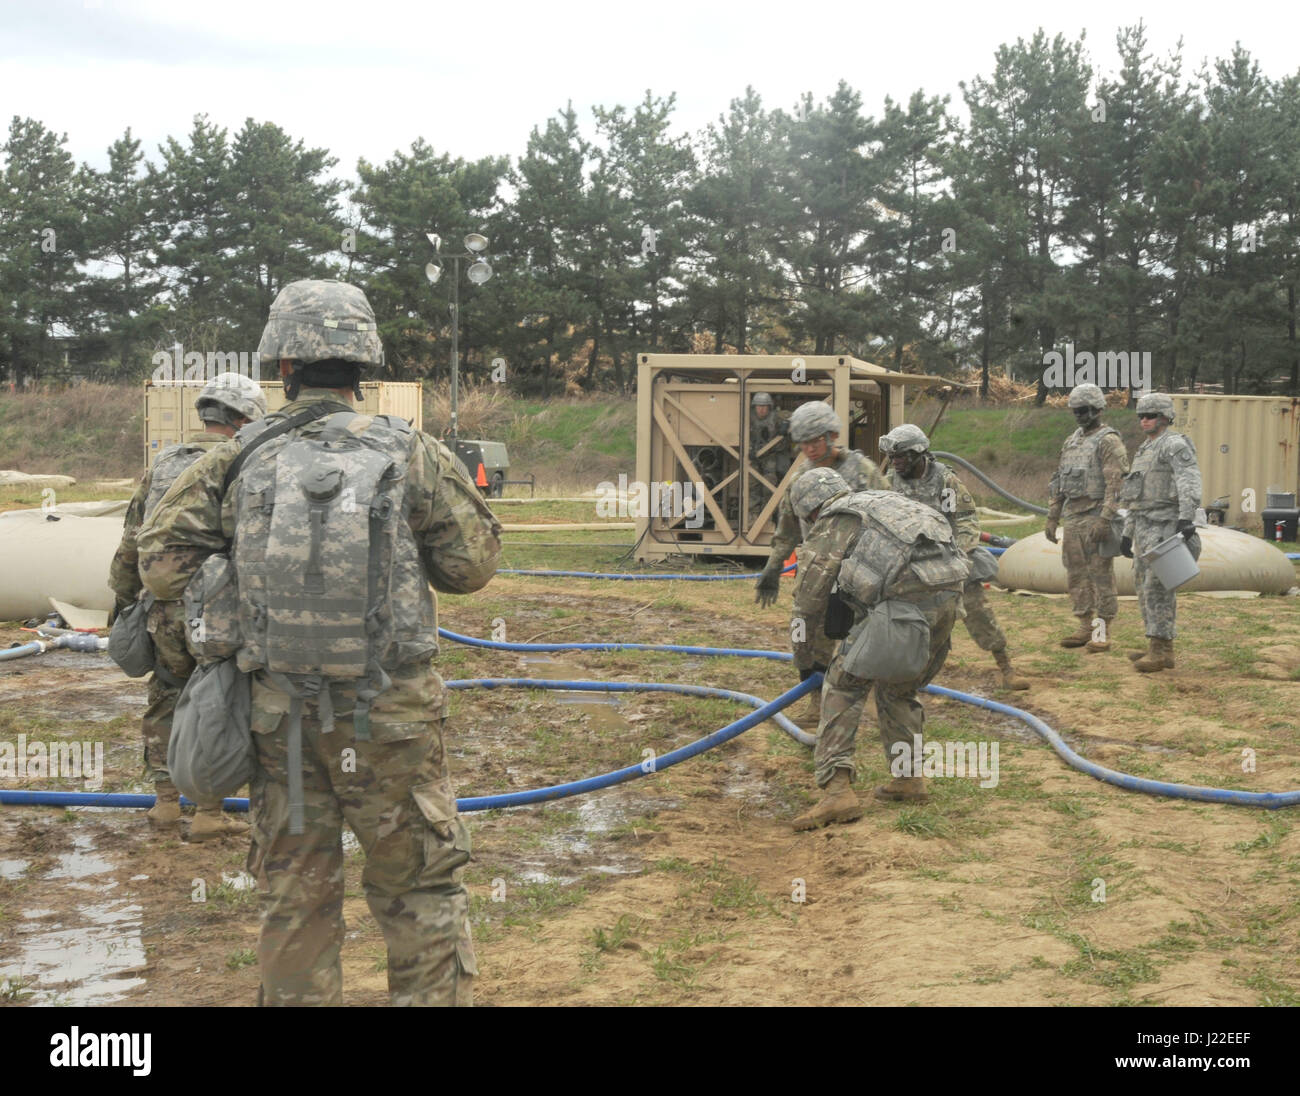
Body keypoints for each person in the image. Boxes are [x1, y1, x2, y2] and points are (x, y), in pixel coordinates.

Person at [137, 279, 503, 1006]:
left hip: (282, 722)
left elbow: (160, 566)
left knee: (295, 900)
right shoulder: (413, 451)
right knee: (422, 890)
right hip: (392, 717)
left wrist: (242, 569)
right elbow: (470, 569)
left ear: (281, 369)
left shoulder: (234, 458)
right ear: (363, 370)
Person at [108, 372, 267, 841]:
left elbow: (131, 539)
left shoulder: (164, 463)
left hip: (159, 607)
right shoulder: (245, 460)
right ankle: (210, 810)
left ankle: (164, 804)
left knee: (166, 695)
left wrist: (122, 601)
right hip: (217, 608)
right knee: (219, 699)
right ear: (244, 417)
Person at [786, 469, 970, 830]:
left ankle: (837, 791)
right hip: (948, 601)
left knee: (842, 686)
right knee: (899, 686)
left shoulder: (835, 521)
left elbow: (808, 603)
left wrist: (806, 663)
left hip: (903, 608)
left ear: (808, 511)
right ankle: (907, 778)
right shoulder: (884, 503)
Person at [755, 401, 889, 727]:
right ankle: (814, 700)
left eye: (815, 441)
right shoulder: (800, 478)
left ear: (832, 436)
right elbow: (786, 531)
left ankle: (862, 697)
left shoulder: (863, 472)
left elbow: (890, 513)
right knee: (805, 636)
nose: (809, 450)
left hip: (861, 569)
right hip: (817, 571)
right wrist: (772, 568)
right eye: (803, 444)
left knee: (860, 635)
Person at [879, 424, 1029, 690]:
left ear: (917, 454)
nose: (894, 462)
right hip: (911, 563)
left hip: (951, 558)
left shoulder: (944, 481)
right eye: (892, 457)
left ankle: (1006, 667)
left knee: (977, 611)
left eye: (899, 456)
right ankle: (900, 675)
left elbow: (966, 520)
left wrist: (958, 554)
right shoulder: (891, 482)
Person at [1120, 392, 1202, 673]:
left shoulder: (1175, 445)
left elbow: (1188, 481)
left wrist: (1186, 518)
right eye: (1141, 416)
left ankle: (1161, 648)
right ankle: (1157, 645)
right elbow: (1135, 495)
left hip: (1166, 525)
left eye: (1150, 415)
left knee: (1158, 588)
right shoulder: (1144, 450)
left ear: (1165, 417)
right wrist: (1127, 532)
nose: (1145, 420)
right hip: (1144, 525)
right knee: (1143, 588)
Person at [1044, 383, 1129, 651]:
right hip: (1073, 516)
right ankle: (1084, 626)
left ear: (1097, 409)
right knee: (1076, 574)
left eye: (1084, 410)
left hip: (1095, 515)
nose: (1079, 415)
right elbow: (1059, 480)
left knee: (1101, 575)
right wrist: (1052, 515)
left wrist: (1105, 519)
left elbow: (1116, 483)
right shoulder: (1072, 441)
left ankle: (1102, 631)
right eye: (1075, 411)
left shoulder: (1108, 441)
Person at [746, 392, 791, 525]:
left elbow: (792, 416)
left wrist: (785, 425)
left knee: (769, 486)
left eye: (765, 406)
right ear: (754, 407)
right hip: (752, 457)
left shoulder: (775, 417)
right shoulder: (748, 417)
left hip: (770, 456)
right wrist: (749, 449)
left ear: (769, 407)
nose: (762, 409)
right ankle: (752, 518)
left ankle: (767, 517)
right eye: (759, 406)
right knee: (752, 486)